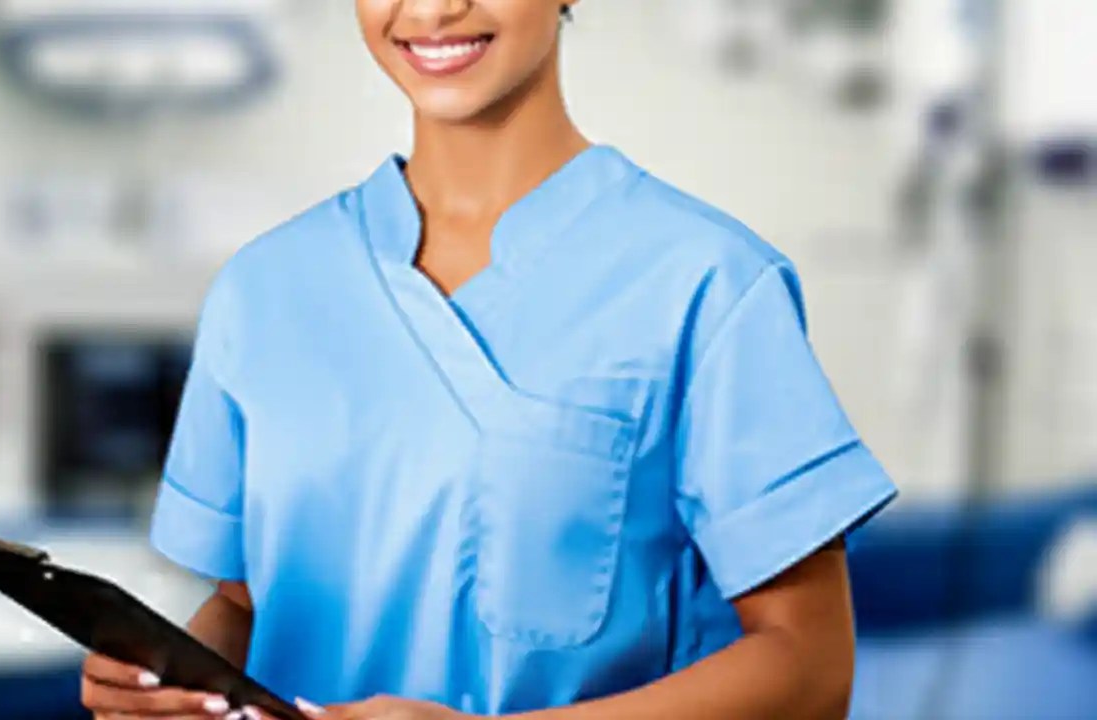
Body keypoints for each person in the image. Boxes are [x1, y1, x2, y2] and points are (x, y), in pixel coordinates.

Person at [80, 2, 898, 719]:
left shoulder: (707, 285)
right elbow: (246, 605)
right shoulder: (263, 291)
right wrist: (165, 686)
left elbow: (809, 673)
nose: (433, 8)